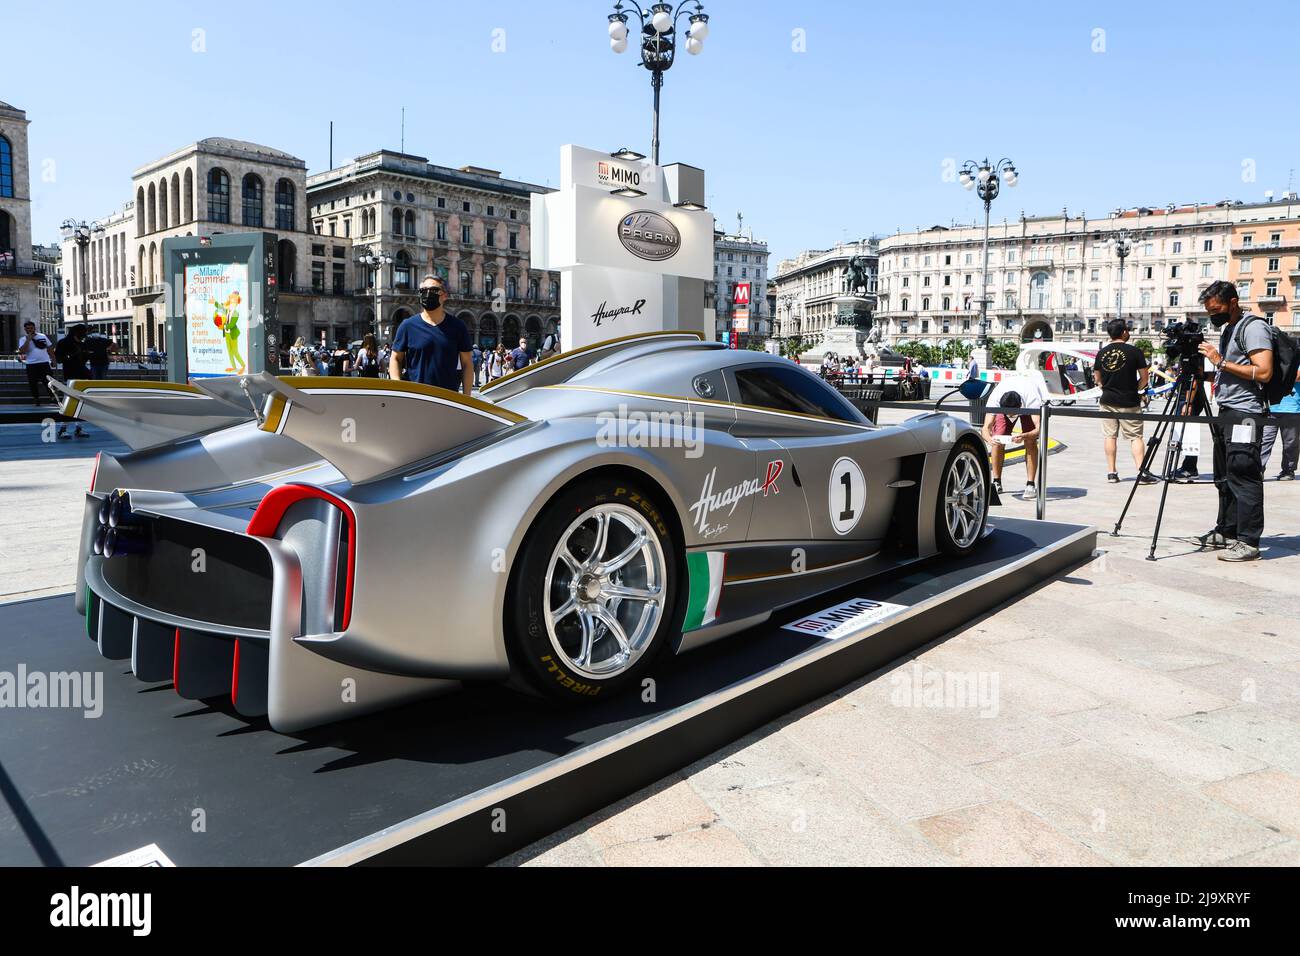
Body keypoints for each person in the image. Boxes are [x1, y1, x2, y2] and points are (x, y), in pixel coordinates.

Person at [1196, 281, 1272, 562]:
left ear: (1233, 302)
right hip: (1228, 409)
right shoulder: (1230, 329)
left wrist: (1220, 362)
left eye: (1216, 310)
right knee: (1224, 476)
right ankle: (1227, 531)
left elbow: (1263, 371)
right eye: (1209, 311)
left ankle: (1249, 540)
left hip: (1246, 413)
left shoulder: (1254, 328)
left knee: (1244, 473)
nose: (1213, 315)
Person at [389, 274, 473, 395]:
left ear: (444, 295)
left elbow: (467, 363)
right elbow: (396, 358)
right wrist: (397, 386)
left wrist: (466, 396)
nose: (428, 294)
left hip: (447, 398)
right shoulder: (407, 326)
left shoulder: (458, 327)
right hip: (414, 396)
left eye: (434, 290)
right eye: (423, 290)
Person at [1094, 318, 1153, 484]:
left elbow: (1097, 378)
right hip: (1129, 401)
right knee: (1136, 437)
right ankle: (1141, 472)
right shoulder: (1135, 352)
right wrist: (1135, 388)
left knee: (1110, 436)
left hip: (1107, 400)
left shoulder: (1102, 352)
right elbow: (1144, 377)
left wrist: (1105, 386)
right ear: (1124, 332)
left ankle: (1111, 472)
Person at [982, 389, 1039, 501]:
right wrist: (989, 439)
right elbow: (985, 428)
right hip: (1006, 404)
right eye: (1007, 414)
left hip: (1028, 407)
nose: (1010, 417)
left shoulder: (1032, 400)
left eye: (1013, 414)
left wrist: (1025, 435)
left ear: (1020, 406)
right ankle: (996, 481)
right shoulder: (995, 400)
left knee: (1030, 441)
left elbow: (1039, 428)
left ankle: (1030, 484)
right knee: (998, 439)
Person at [53, 325, 89, 438]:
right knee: (69, 401)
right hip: (70, 374)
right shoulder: (64, 343)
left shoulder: (82, 344)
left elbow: (84, 359)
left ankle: (79, 427)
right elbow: (59, 359)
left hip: (82, 374)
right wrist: (72, 355)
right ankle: (63, 428)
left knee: (81, 401)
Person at [1260, 378, 1300, 480]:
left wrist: (1276, 374)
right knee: (1264, 440)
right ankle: (1258, 468)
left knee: (1290, 443)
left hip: (1292, 407)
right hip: (1270, 408)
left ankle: (1288, 470)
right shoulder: (1273, 361)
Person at [17, 321, 56, 405]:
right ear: (25, 329)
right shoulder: (23, 339)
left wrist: (53, 360)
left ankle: (53, 398)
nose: (30, 330)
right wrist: (28, 340)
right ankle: (36, 399)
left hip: (44, 363)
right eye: (28, 328)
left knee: (48, 382)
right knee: (33, 383)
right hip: (31, 364)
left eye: (31, 328)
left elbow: (50, 349)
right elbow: (22, 351)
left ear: (34, 328)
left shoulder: (42, 336)